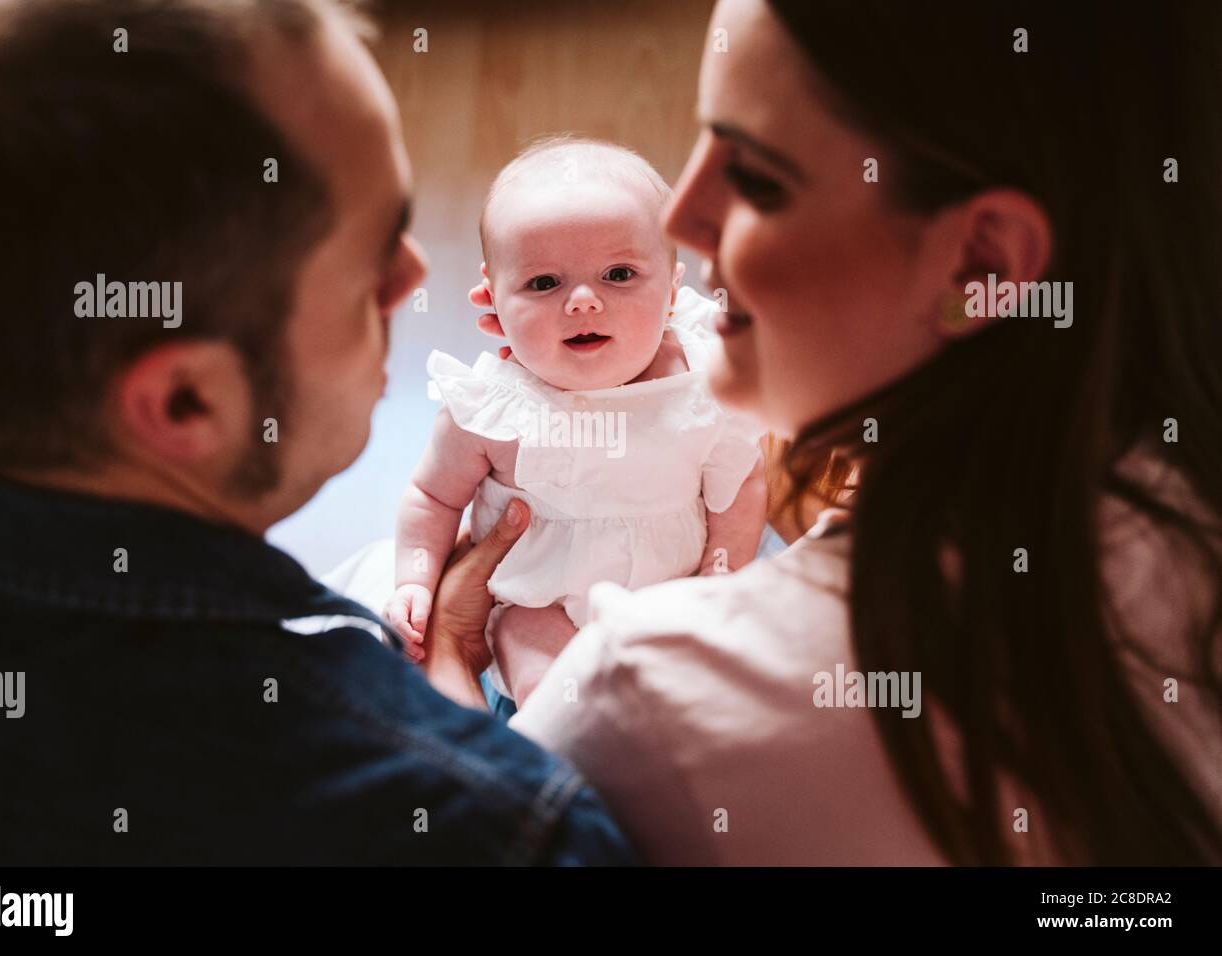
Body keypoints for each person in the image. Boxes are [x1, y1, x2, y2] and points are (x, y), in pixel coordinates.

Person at [427, 0, 1222, 865]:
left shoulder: (642, 691)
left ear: (981, 264)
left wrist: (449, 661)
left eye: (760, 178)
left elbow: (475, 835)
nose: (683, 222)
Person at [0, 0, 634, 865]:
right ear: (189, 403)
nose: (415, 272)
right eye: (371, 260)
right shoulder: (484, 826)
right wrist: (450, 671)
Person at [385, 136, 765, 715]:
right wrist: (416, 579)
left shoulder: (701, 380)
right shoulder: (494, 409)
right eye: (543, 284)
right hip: (541, 604)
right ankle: (558, 749)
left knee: (714, 692)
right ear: (492, 296)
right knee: (549, 692)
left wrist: (720, 579)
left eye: (618, 274)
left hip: (676, 590)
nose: (583, 302)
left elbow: (738, 487)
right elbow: (432, 494)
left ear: (670, 289)